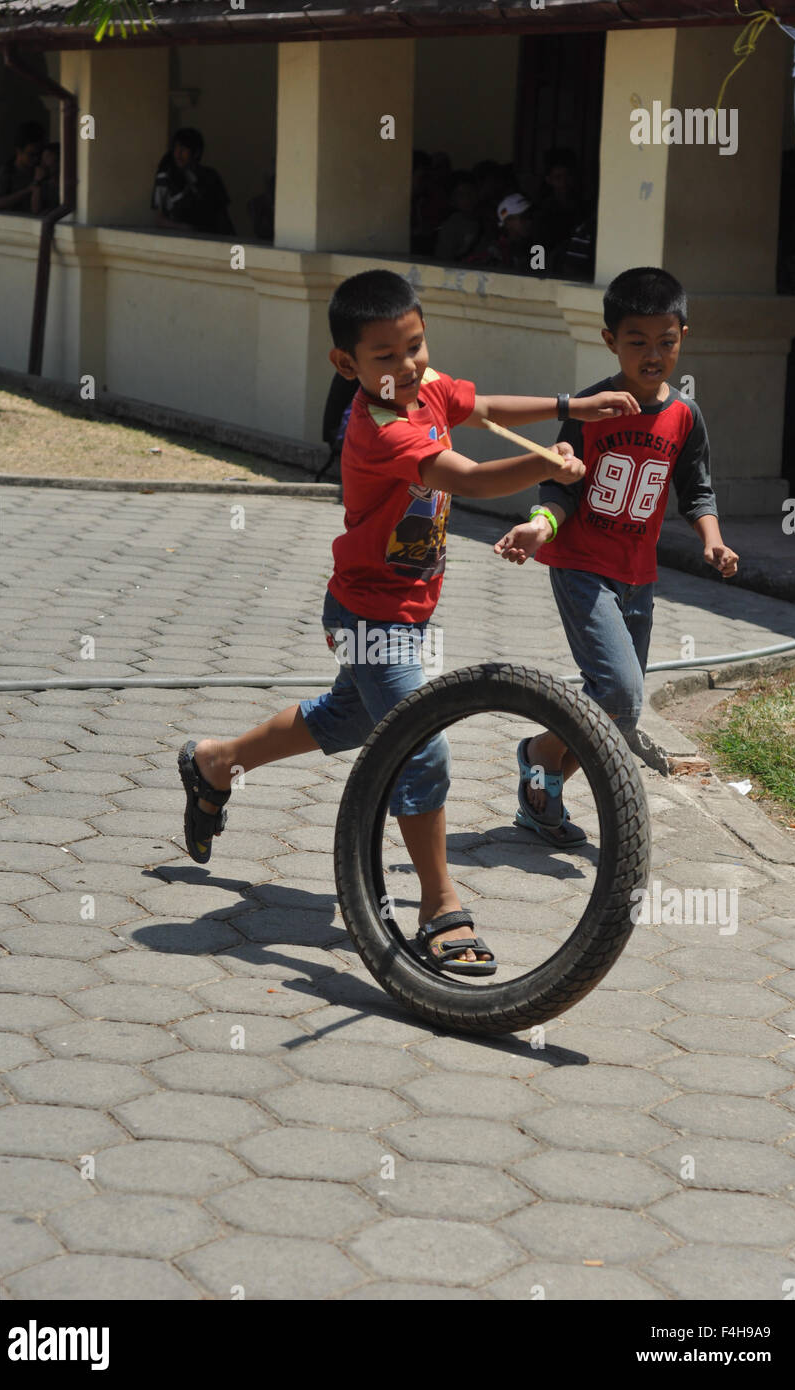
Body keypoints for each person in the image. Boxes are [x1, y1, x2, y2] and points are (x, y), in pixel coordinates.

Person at [177, 269, 637, 973]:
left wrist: (574, 404)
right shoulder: (379, 429)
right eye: (385, 356)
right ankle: (439, 907)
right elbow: (468, 478)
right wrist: (552, 467)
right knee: (421, 746)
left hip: (407, 609)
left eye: (415, 346)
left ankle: (217, 762)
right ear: (346, 364)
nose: (407, 365)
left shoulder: (424, 389)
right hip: (370, 613)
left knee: (347, 719)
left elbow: (479, 405)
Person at [494, 266, 739, 846]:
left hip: (639, 579)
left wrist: (713, 539)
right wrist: (539, 524)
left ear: (683, 336)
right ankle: (537, 754)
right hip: (582, 568)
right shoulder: (589, 407)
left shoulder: (685, 415)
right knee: (622, 693)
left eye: (666, 341)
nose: (653, 354)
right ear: (610, 340)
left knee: (620, 711)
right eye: (637, 342)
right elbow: (561, 483)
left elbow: (696, 488)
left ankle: (541, 777)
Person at [151, 128, 234, 235]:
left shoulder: (210, 176)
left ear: (196, 152)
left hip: (210, 238)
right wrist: (184, 227)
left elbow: (222, 216)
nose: (178, 153)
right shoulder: (166, 177)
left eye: (183, 148)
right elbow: (159, 219)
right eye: (176, 147)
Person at [0, 121, 45, 212]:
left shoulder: (41, 169)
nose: (36, 159)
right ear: (19, 151)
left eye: (39, 154)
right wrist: (28, 190)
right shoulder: (7, 172)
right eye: (31, 155)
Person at [31, 142, 60, 215]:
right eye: (43, 158)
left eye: (48, 157)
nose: (44, 163)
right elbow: (35, 210)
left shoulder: (65, 183)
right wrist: (37, 181)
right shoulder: (44, 183)